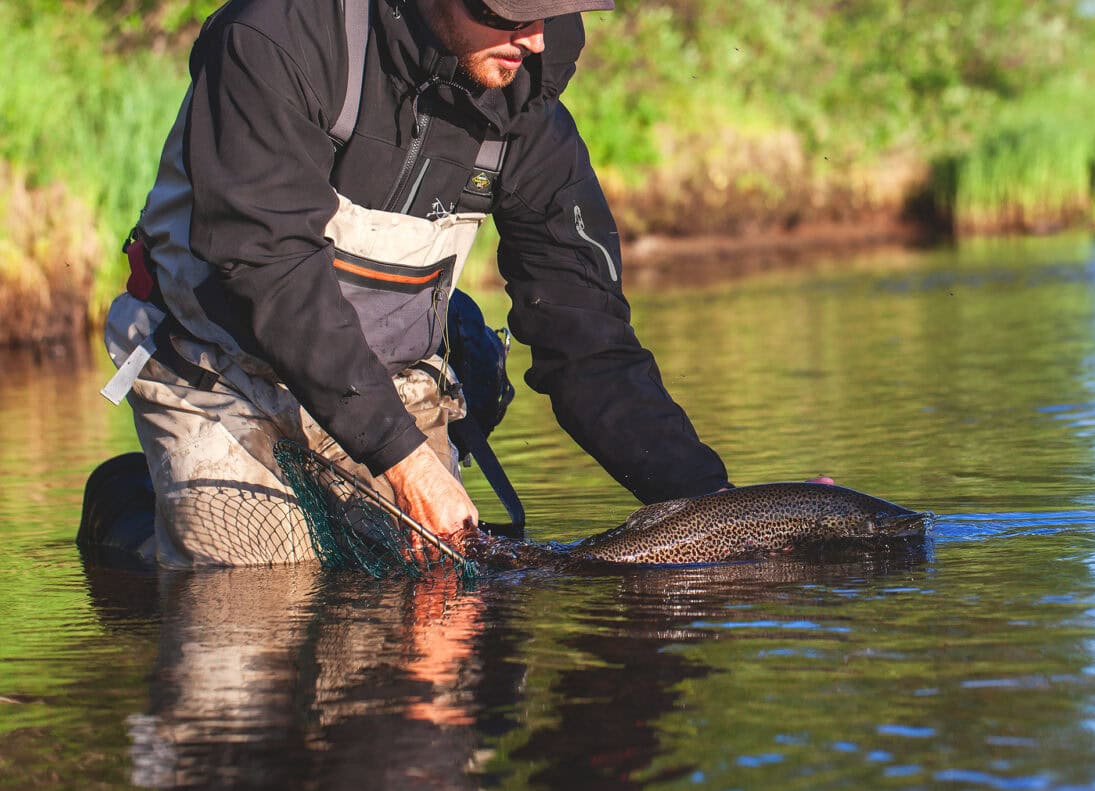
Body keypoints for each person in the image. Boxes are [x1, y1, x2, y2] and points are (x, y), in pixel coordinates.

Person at [99, 0, 730, 567]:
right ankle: (128, 513)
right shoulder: (273, 39)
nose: (535, 39)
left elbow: (588, 343)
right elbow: (272, 270)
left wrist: (716, 507)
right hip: (214, 369)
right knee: (263, 589)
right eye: (510, 14)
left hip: (388, 382)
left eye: (550, 12)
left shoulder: (531, 116)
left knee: (426, 586)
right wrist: (403, 459)